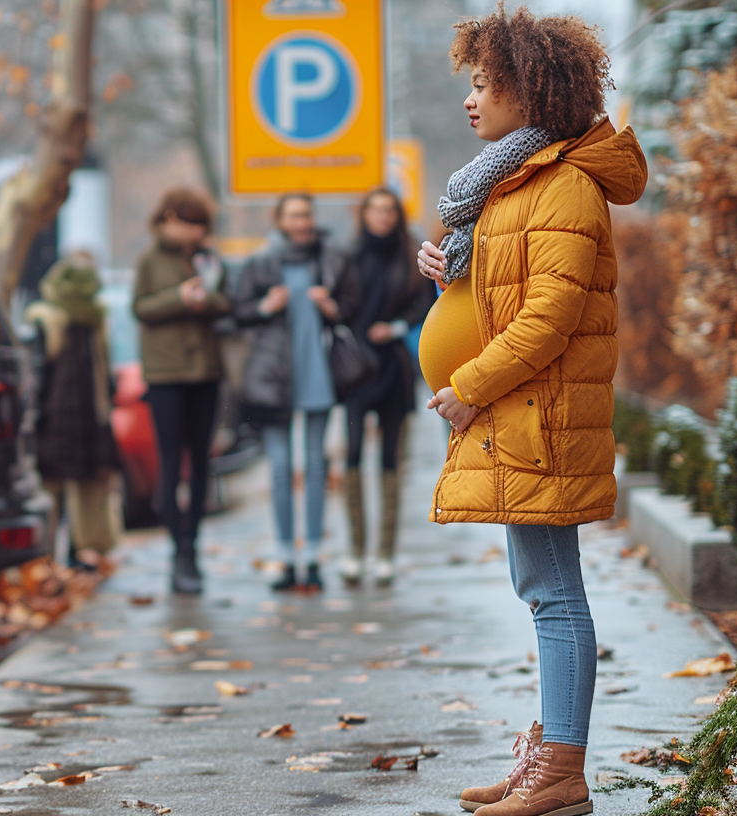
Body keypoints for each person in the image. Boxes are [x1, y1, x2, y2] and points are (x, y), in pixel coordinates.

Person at [415, 6, 647, 816]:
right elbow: (504, 295)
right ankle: (548, 757)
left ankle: (560, 772)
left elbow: (548, 318)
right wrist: (449, 276)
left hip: (535, 416)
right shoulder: (515, 182)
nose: (470, 99)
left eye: (485, 84)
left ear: (530, 88)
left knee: (554, 593)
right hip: (520, 415)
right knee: (542, 587)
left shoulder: (565, 185)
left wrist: (471, 387)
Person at [233, 193, 360, 592]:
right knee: (281, 468)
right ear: (279, 220)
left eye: (306, 214)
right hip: (273, 377)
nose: (302, 222)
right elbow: (239, 312)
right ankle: (287, 557)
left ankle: (314, 557)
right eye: (293, 216)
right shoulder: (261, 261)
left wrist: (332, 308)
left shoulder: (331, 258)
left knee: (317, 466)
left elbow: (352, 306)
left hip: (318, 370)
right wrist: (266, 306)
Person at [132, 188, 232, 594]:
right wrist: (179, 298)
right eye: (191, 225)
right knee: (171, 463)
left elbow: (226, 302)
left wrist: (206, 301)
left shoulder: (208, 259)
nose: (196, 233)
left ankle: (193, 544)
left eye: (201, 226)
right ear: (170, 219)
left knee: (201, 464)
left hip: (206, 371)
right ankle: (179, 553)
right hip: (166, 373)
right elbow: (140, 308)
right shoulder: (149, 260)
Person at [340, 187, 434, 588]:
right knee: (352, 458)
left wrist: (397, 328)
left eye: (389, 210)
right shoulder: (349, 256)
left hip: (394, 368)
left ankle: (385, 554)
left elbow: (424, 304)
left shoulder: (409, 254)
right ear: (363, 214)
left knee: (391, 462)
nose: (382, 216)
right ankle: (355, 550)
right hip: (356, 369)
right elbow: (341, 306)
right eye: (375, 209)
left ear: (397, 215)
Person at [26, 256, 121, 569]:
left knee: (62, 489)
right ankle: (71, 555)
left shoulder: (54, 319)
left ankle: (59, 558)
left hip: (60, 418)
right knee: (74, 489)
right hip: (70, 418)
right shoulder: (82, 319)